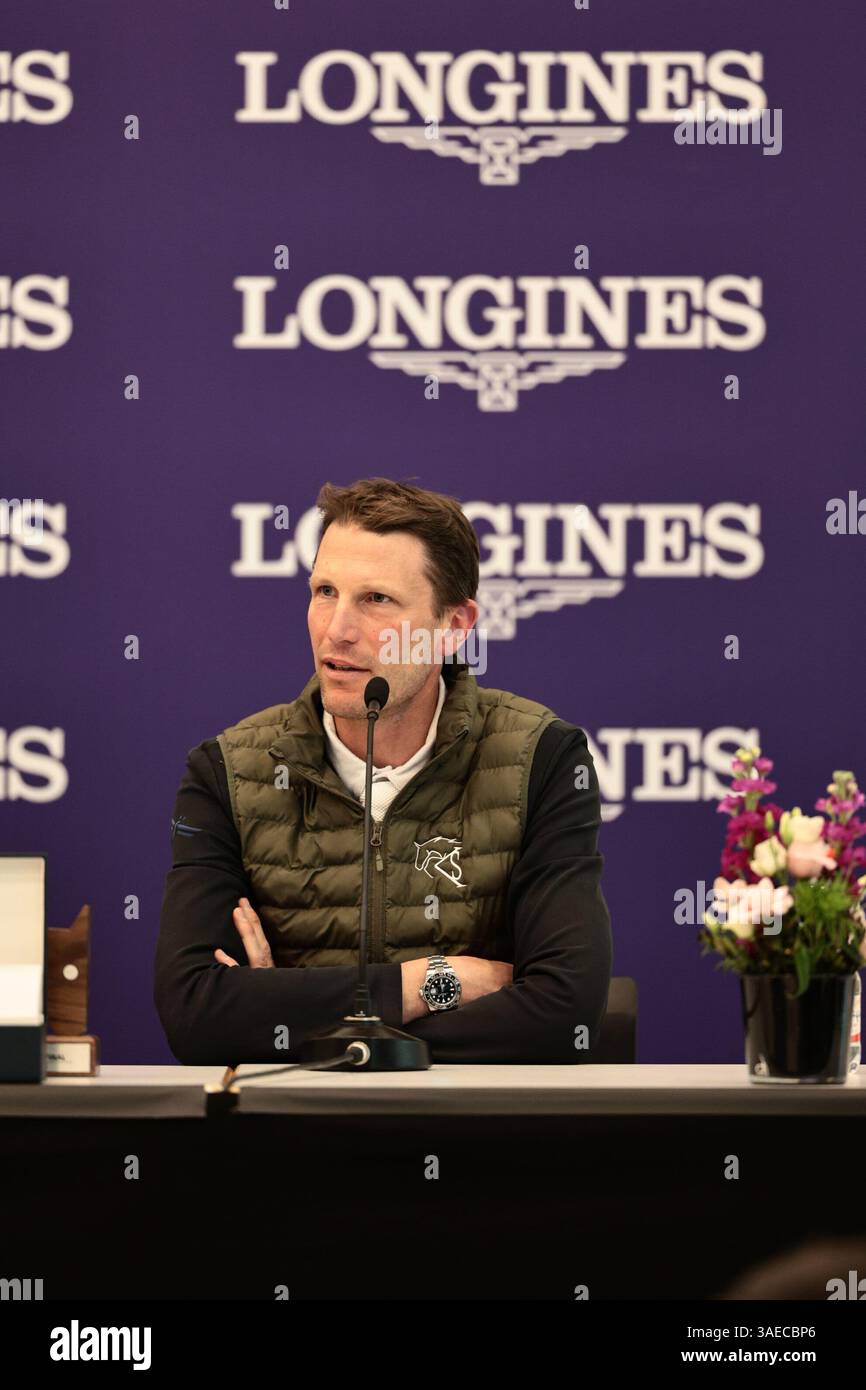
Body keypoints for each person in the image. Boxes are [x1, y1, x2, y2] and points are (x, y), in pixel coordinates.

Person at [154, 477, 612, 1064]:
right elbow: (195, 1015)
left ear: (454, 626)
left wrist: (281, 1010)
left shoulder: (539, 758)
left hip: (476, 1120)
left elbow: (563, 1014)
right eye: (325, 591)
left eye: (376, 600)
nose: (337, 630)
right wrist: (433, 982)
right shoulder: (229, 771)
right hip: (297, 1122)